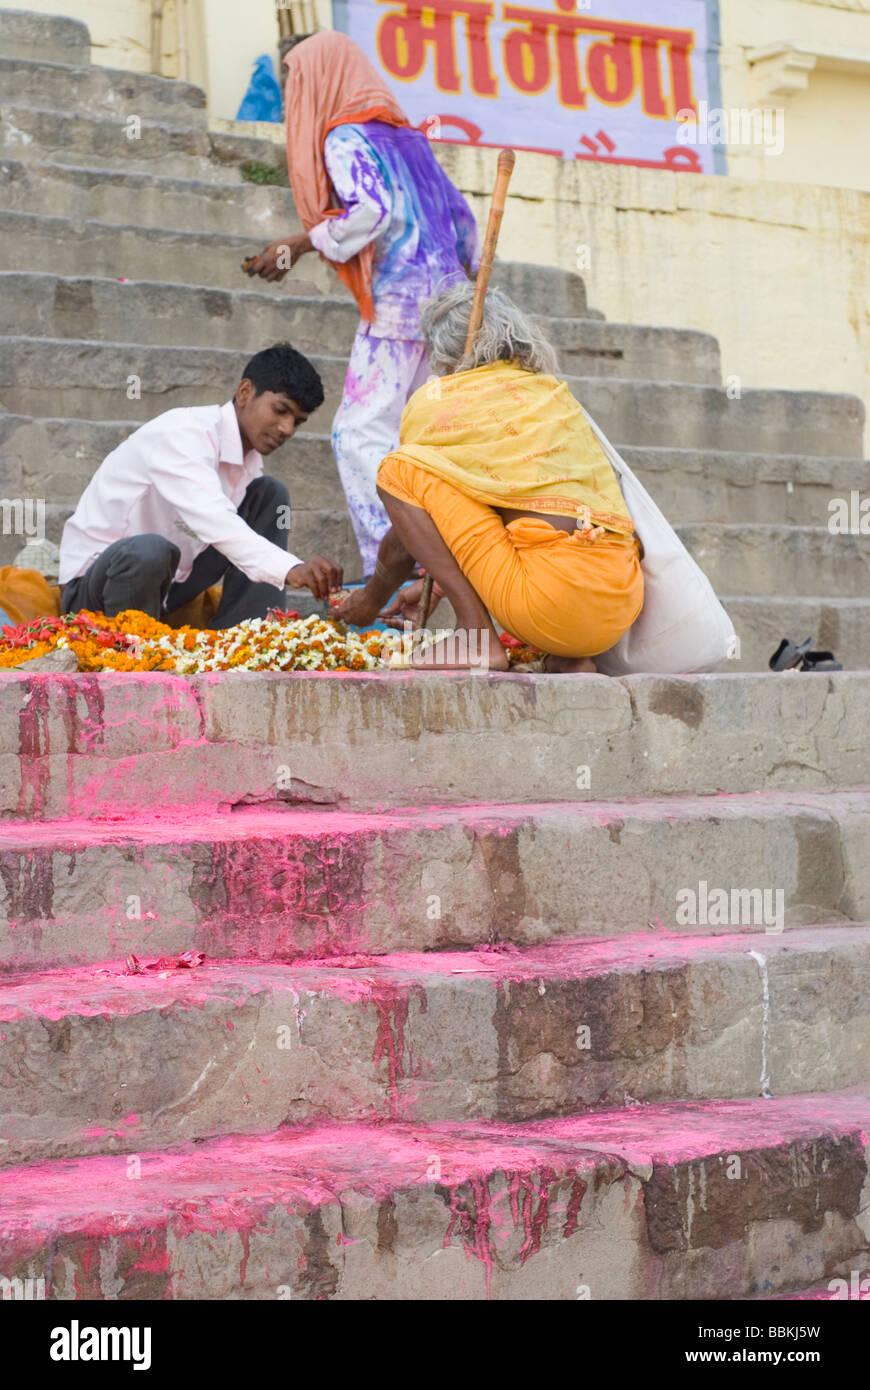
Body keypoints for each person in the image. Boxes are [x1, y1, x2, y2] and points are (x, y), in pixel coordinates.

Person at [243, 30, 479, 578]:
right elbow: (465, 226)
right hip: (450, 314)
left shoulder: (346, 137)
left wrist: (299, 244)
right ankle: (434, 561)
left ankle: (395, 564)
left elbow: (369, 211)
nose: (292, 95)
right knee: (417, 439)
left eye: (295, 81)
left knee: (359, 435)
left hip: (400, 309)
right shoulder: (411, 141)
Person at [334, 284, 645, 672]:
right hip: (618, 609)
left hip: (548, 607)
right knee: (540, 522)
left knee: (400, 470)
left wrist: (371, 599)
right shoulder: (552, 394)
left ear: (444, 351)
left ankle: (476, 637)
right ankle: (570, 657)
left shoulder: (443, 401)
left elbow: (404, 534)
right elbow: (492, 518)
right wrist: (441, 585)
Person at [59, 343, 343, 624]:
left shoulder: (249, 463)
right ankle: (132, 654)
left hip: (168, 588)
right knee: (150, 550)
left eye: (298, 422)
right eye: (280, 410)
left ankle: (246, 639)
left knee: (270, 495)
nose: (287, 429)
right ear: (245, 392)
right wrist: (289, 567)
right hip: (96, 589)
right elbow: (214, 520)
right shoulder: (184, 433)